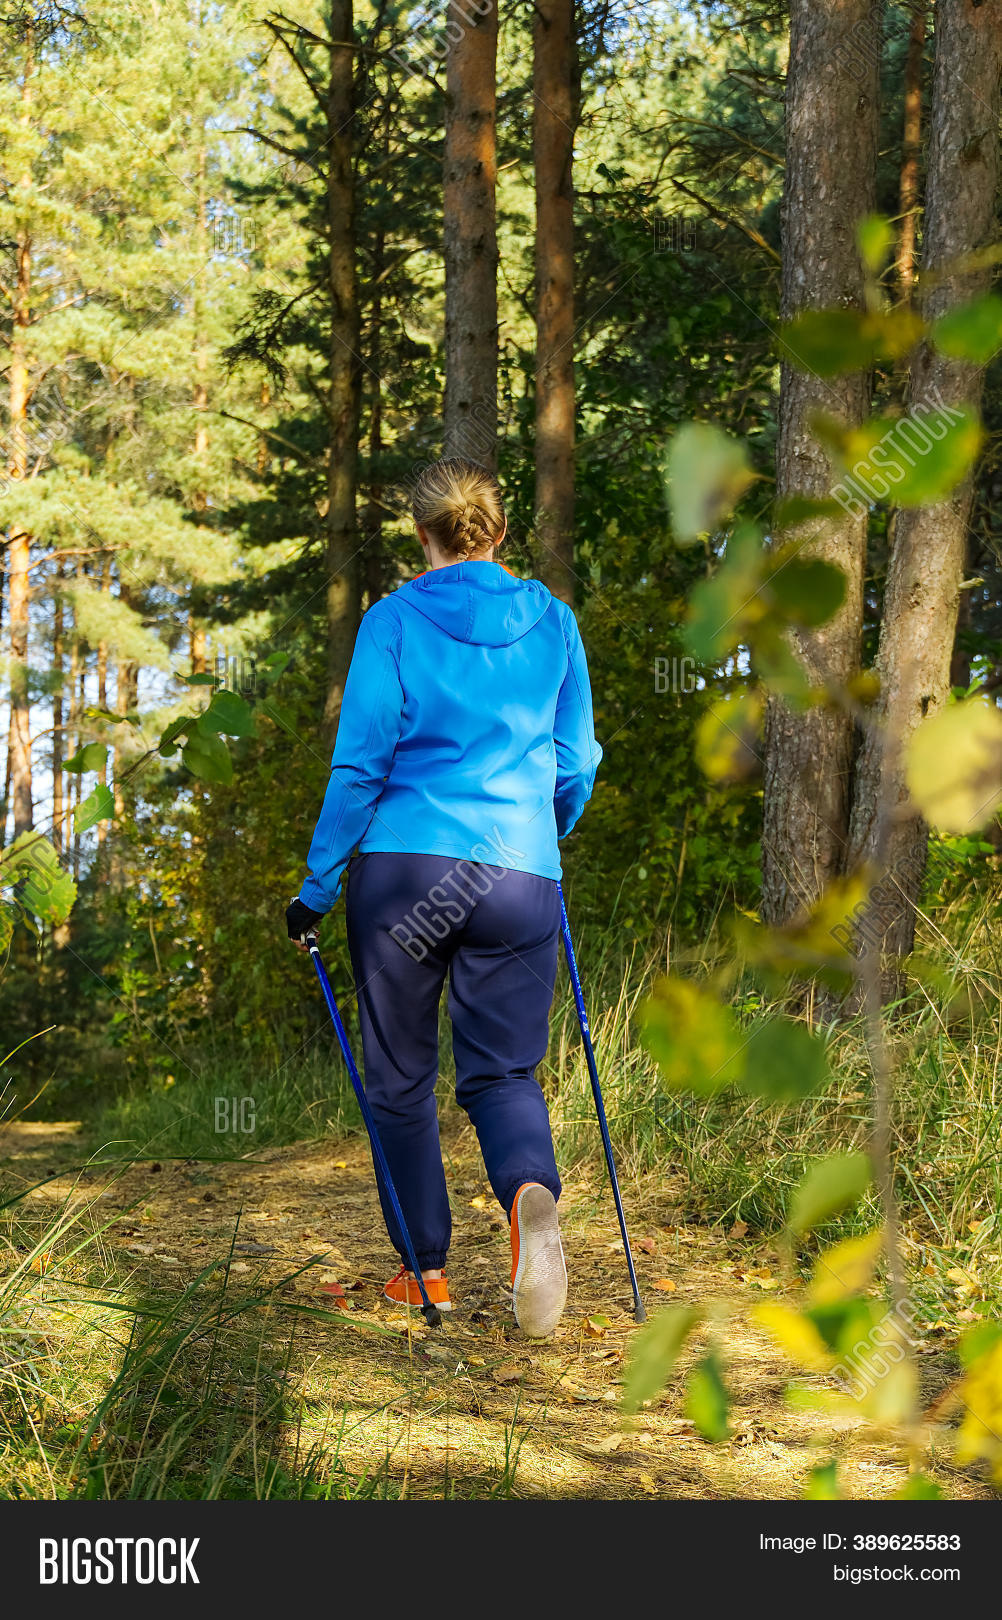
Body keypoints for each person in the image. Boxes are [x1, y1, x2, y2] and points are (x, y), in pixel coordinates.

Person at [285, 457, 601, 1337]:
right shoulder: (556, 624)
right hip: (518, 871)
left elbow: (361, 765)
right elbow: (575, 764)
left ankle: (425, 1273)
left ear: (422, 535)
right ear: (497, 531)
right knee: (502, 1072)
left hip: (405, 873)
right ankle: (530, 1194)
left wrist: (315, 886)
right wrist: (545, 837)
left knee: (399, 1078)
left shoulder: (391, 622)